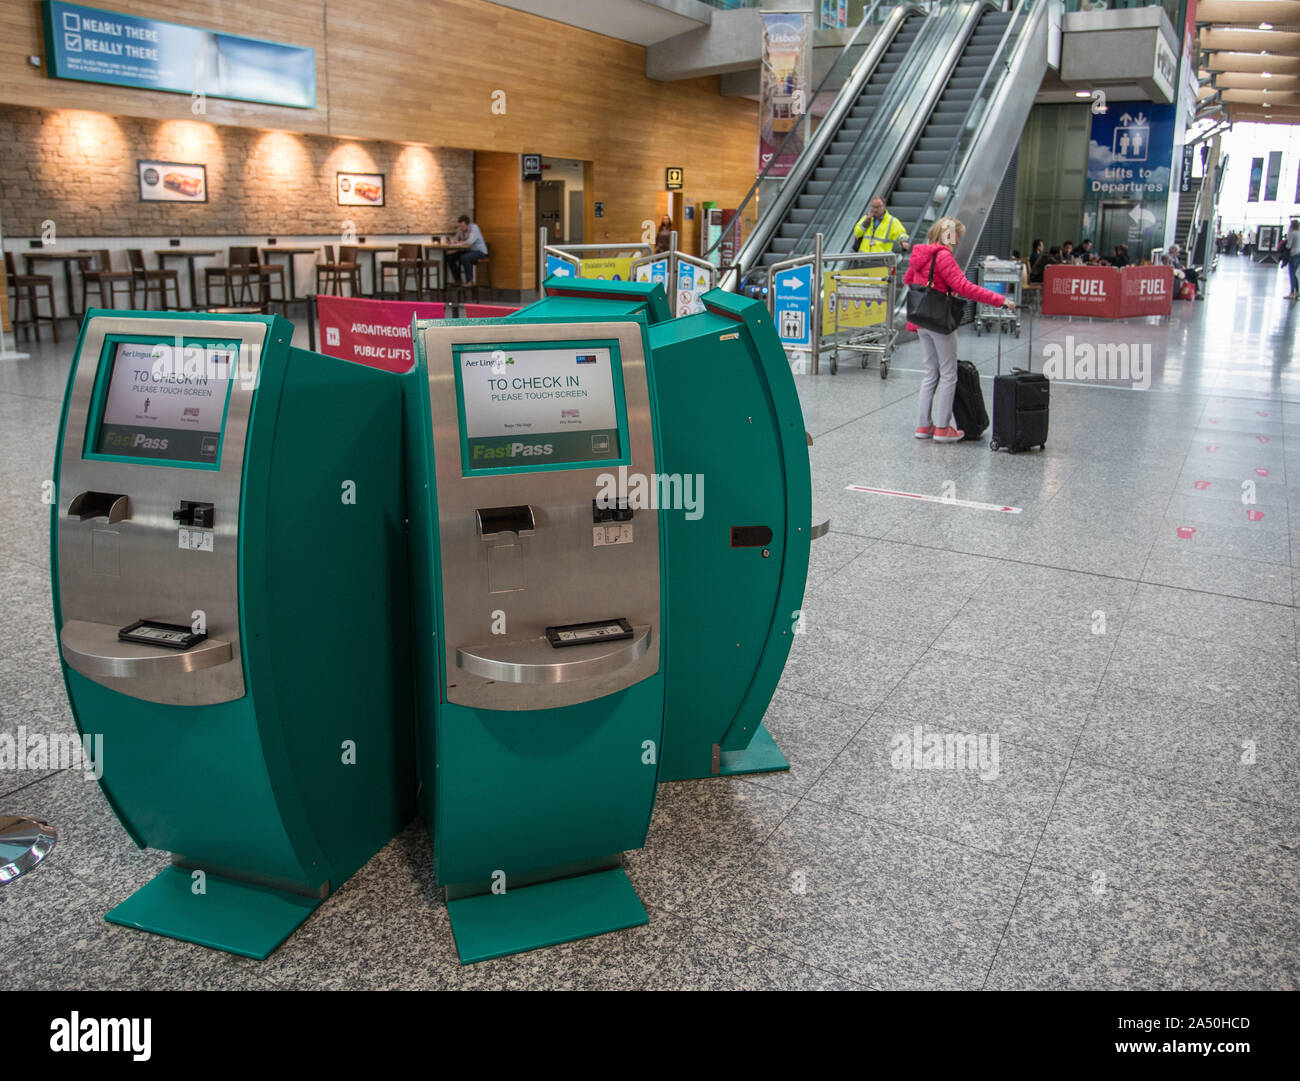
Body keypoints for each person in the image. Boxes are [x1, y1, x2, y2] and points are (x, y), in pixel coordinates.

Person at [904, 217, 1015, 443]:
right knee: (948, 373)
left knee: (930, 373)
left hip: (921, 319)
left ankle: (923, 425)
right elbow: (964, 287)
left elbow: (909, 280)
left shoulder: (919, 254)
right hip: (939, 321)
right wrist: (999, 300)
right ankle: (943, 428)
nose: (956, 242)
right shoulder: (943, 256)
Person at [447, 214, 488, 283]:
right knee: (449, 257)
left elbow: (470, 242)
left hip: (480, 252)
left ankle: (470, 281)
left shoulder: (474, 228)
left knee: (465, 257)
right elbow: (456, 238)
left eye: (462, 226)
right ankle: (458, 279)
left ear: (468, 224)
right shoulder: (461, 229)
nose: (460, 228)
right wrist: (450, 241)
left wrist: (458, 242)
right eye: (459, 226)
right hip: (469, 251)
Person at [1286, 220, 1300, 299]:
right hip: (1299, 254)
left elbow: (1288, 245)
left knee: (1292, 274)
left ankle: (1292, 292)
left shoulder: (1292, 233)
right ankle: (1297, 292)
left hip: (1293, 254)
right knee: (1296, 274)